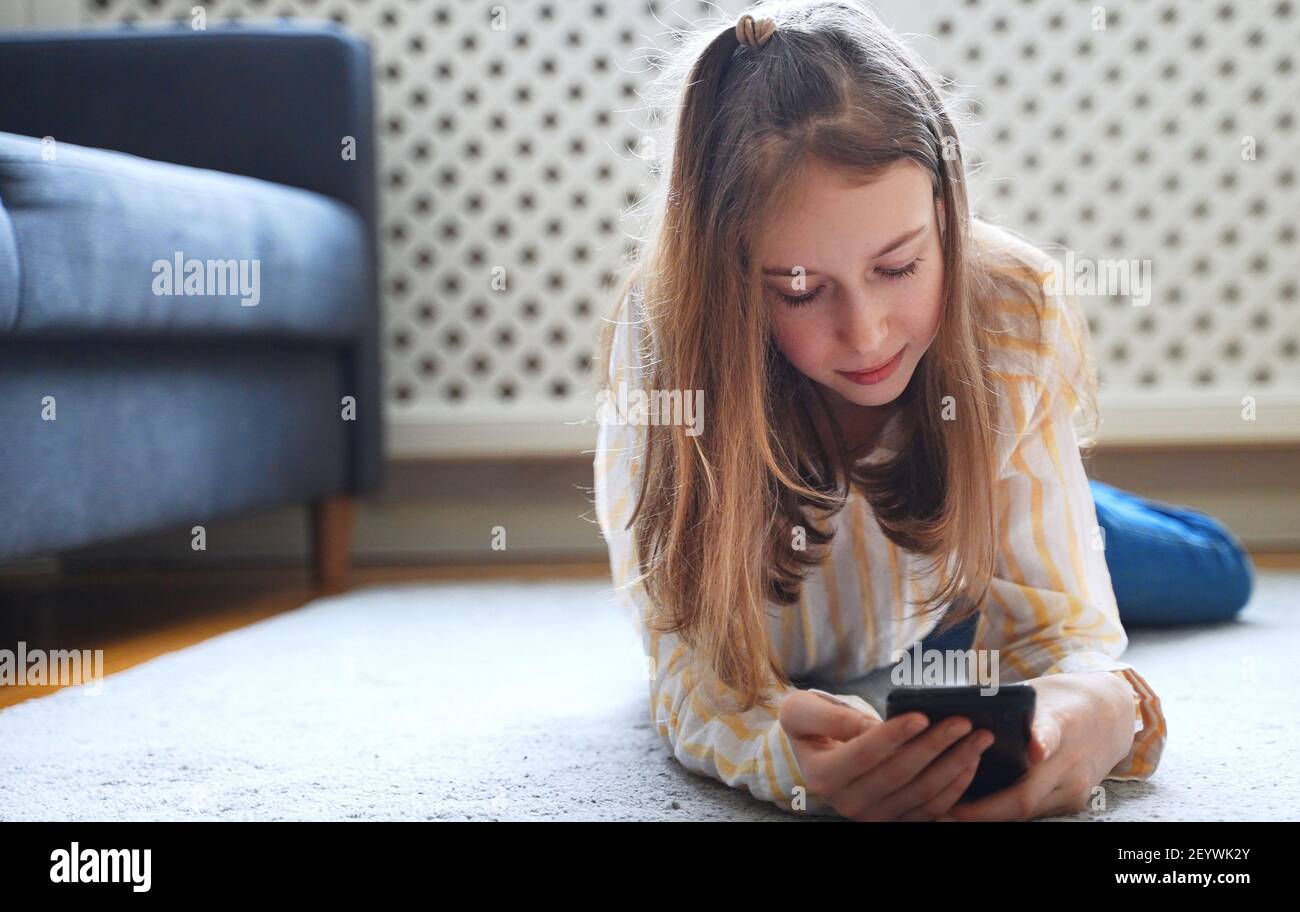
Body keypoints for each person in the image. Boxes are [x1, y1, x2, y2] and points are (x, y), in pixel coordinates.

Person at [591, 1, 1254, 822]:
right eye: (799, 288)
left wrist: (1103, 708)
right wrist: (773, 752)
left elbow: (1065, 636)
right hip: (894, 604)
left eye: (899, 267)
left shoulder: (1012, 307)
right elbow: (692, 675)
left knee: (1218, 574)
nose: (864, 334)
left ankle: (1062, 503)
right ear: (730, 275)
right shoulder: (667, 347)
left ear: (948, 217)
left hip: (955, 575)